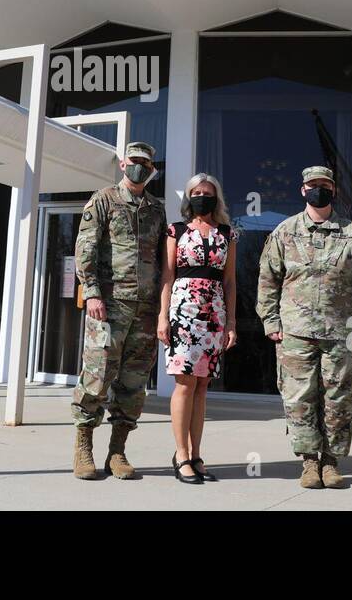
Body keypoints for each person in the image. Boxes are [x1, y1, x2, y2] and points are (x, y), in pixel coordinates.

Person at [257, 165, 352, 489]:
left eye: (323, 185)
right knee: (299, 399)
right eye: (312, 185)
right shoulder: (284, 231)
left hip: (341, 331)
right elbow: (268, 280)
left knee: (338, 399)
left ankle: (332, 461)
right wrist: (270, 321)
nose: (317, 190)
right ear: (302, 190)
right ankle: (309, 462)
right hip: (295, 331)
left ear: (333, 190)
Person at [70, 141, 167, 480]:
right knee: (97, 377)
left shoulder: (156, 209)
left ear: (151, 169)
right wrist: (92, 294)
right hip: (108, 307)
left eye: (146, 162)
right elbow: (85, 250)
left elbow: (161, 260)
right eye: (135, 160)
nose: (140, 166)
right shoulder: (104, 200)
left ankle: (117, 451)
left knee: (133, 383)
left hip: (144, 308)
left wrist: (161, 308)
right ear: (124, 164)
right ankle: (83, 446)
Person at [158, 173, 237, 484]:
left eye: (208, 192)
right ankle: (180, 455)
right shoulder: (175, 230)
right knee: (185, 384)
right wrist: (163, 317)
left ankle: (196, 453)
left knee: (202, 386)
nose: (202, 196)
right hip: (183, 312)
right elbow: (167, 277)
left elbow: (230, 282)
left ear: (216, 197)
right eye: (197, 192)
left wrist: (230, 321)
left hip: (214, 313)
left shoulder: (228, 233)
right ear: (188, 197)